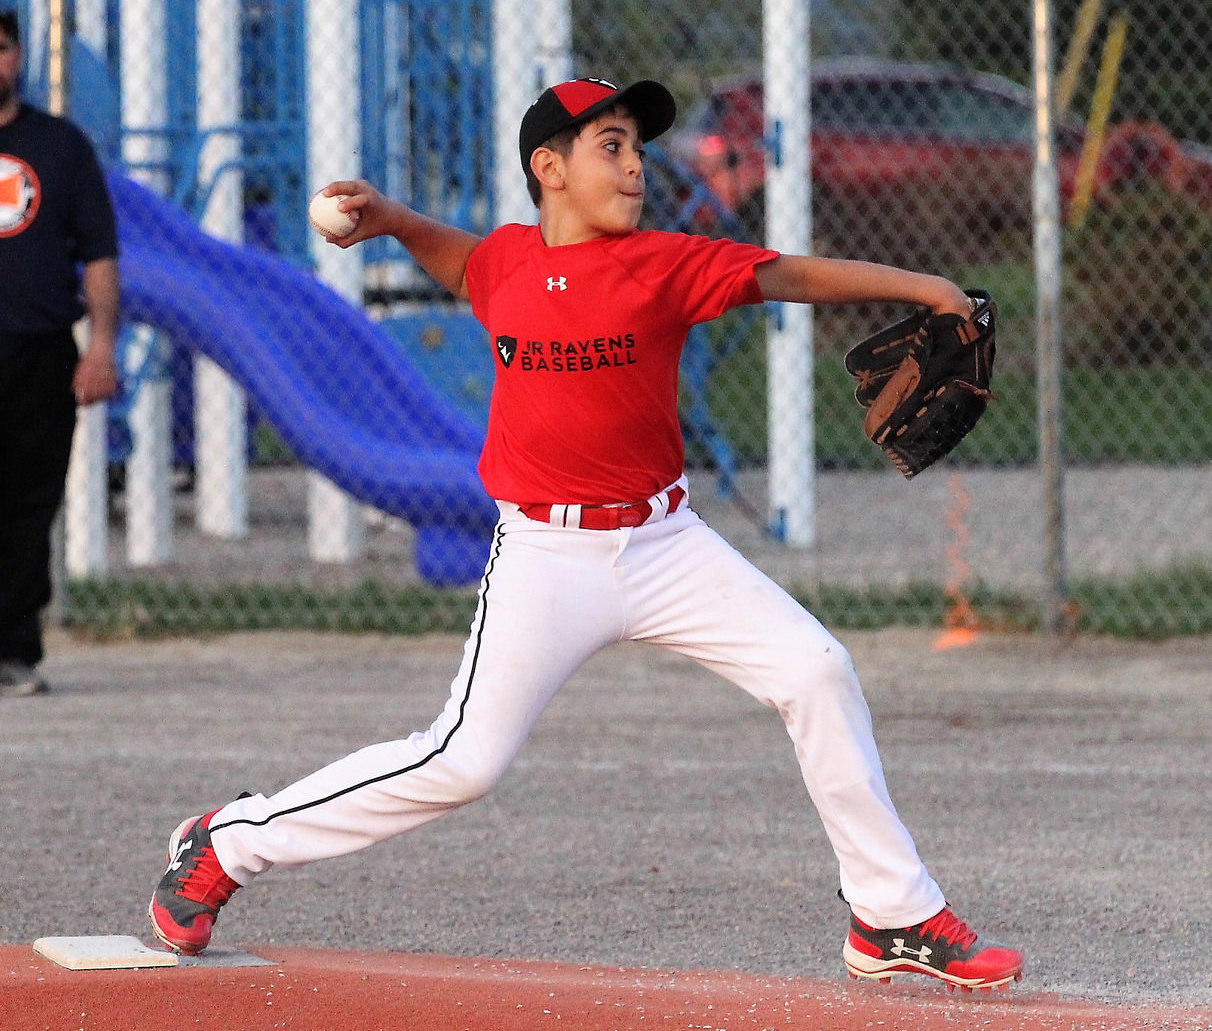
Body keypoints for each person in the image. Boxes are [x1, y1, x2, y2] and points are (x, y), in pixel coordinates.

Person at [150, 76, 1023, 991]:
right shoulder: (508, 264)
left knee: (816, 669)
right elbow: (463, 262)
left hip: (666, 546)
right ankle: (227, 843)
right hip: (546, 557)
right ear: (549, 167)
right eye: (611, 145)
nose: (635, 164)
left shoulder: (664, 263)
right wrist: (397, 219)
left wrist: (922, 288)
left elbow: (786, 275)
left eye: (638, 148)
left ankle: (892, 913)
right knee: (462, 762)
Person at [0, 10, 120, 697]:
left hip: (41, 352)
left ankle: (14, 650)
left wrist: (100, 345)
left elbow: (99, 254)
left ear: (18, 56)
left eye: (2, 48)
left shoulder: (61, 146)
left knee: (27, 503)